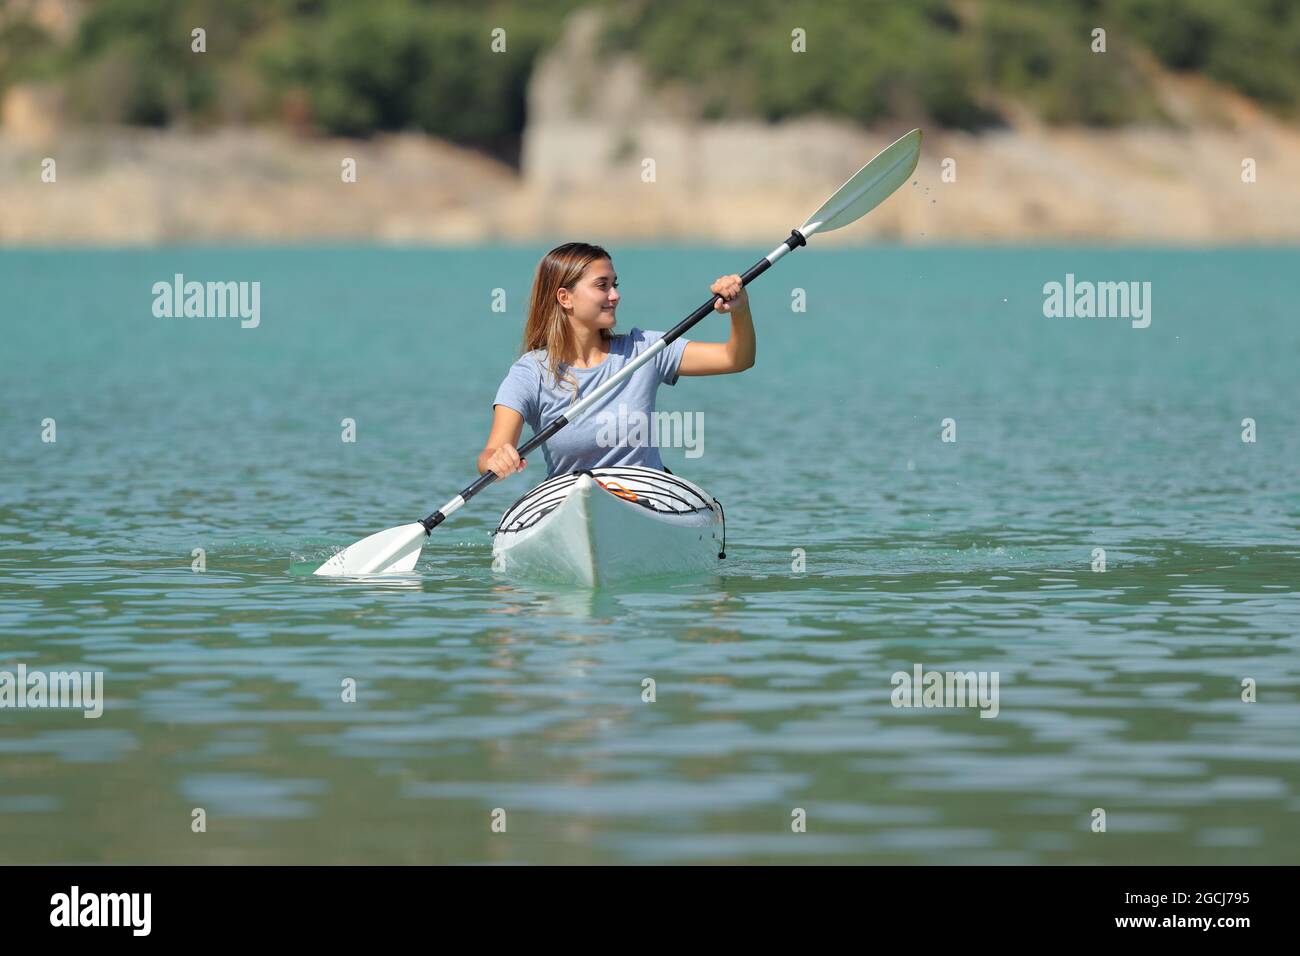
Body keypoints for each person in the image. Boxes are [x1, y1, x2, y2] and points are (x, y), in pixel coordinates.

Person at [479, 242, 755, 481]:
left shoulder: (645, 350)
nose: (615, 295)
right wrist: (497, 460)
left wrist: (739, 309)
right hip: (571, 502)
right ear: (565, 298)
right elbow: (491, 453)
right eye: (602, 286)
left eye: (615, 284)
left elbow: (737, 359)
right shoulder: (530, 373)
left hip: (644, 498)